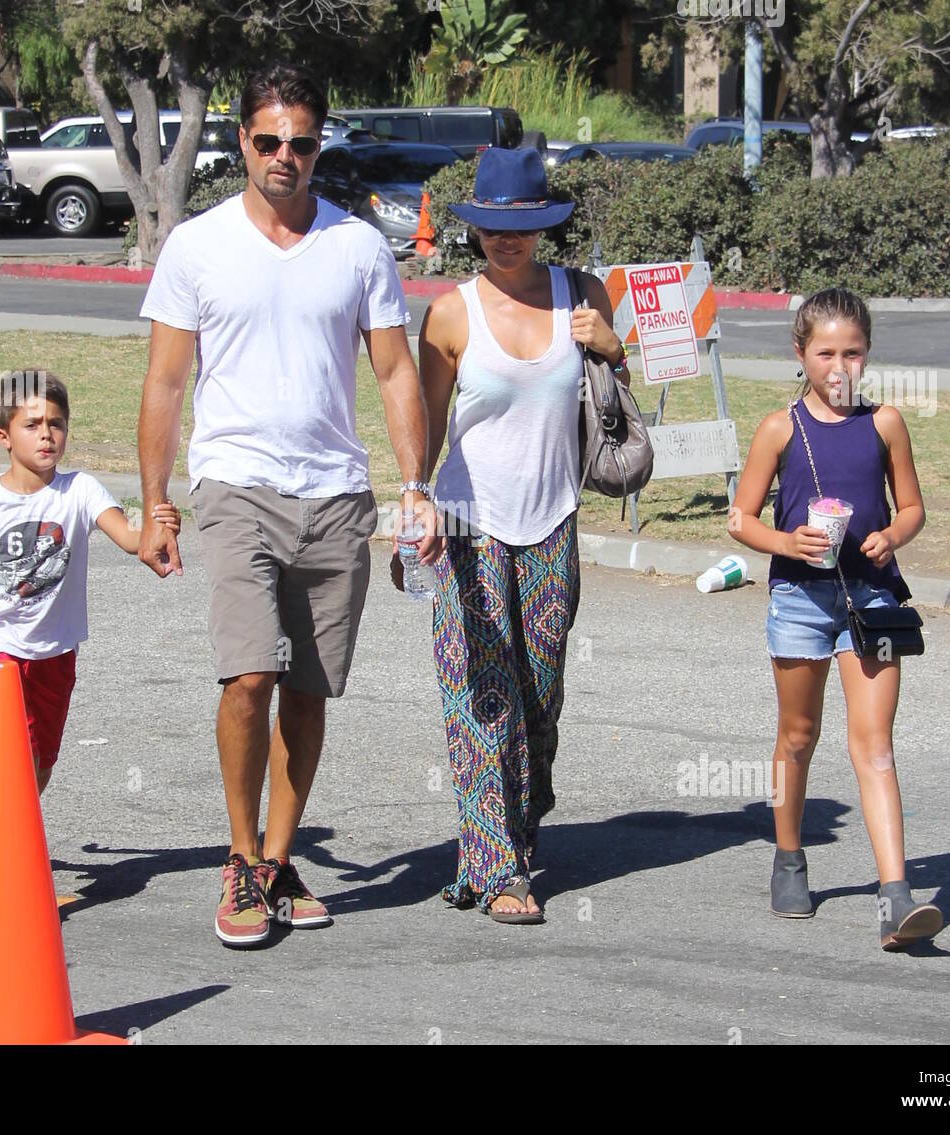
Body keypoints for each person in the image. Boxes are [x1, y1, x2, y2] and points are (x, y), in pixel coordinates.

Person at [136, 63, 439, 948]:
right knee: (250, 674)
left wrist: (412, 488)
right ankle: (239, 857)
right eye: (267, 141)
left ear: (319, 145)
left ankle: (276, 859)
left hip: (336, 494)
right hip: (234, 485)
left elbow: (392, 373)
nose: (284, 158)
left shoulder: (357, 248)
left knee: (308, 692)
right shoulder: (196, 245)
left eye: (301, 143)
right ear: (242, 142)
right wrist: (156, 503)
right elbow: (164, 381)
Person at [416, 147, 626, 923]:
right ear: (475, 227)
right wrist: (416, 507)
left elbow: (613, 401)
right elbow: (427, 429)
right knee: (481, 696)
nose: (509, 240)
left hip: (551, 522)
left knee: (539, 696)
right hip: (469, 522)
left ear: (544, 228)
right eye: (495, 227)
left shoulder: (583, 295)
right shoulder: (450, 313)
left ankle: (510, 838)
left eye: (525, 226)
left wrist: (610, 347)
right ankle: (498, 867)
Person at [728, 287, 943, 950]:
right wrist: (787, 542)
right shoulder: (780, 427)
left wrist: (892, 536)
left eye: (852, 352)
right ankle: (789, 858)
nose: (839, 366)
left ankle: (895, 895)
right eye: (826, 352)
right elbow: (740, 518)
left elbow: (911, 507)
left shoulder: (886, 424)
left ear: (867, 353)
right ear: (801, 353)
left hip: (871, 597)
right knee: (798, 734)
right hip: (799, 599)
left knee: (874, 744)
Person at [0, 369, 179, 794]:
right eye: (32, 425)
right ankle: (0, 848)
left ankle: (18, 835)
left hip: (56, 651)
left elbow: (129, 536)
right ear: (4, 436)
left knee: (42, 762)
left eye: (55, 424)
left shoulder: (80, 491)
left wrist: (156, 526)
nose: (46, 435)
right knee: (18, 747)